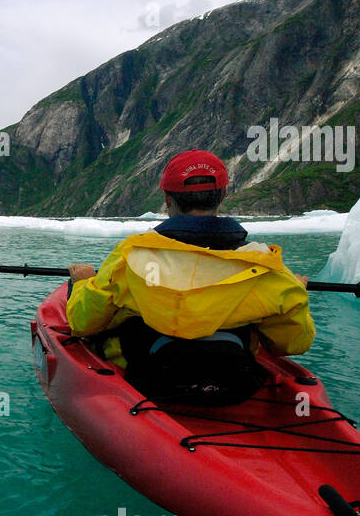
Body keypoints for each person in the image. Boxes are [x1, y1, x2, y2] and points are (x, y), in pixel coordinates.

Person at [64, 150, 314, 403]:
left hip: (150, 381)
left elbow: (83, 324)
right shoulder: (267, 266)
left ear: (167, 199)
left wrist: (83, 281)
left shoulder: (130, 257)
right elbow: (293, 343)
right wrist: (296, 290)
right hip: (234, 386)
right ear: (223, 194)